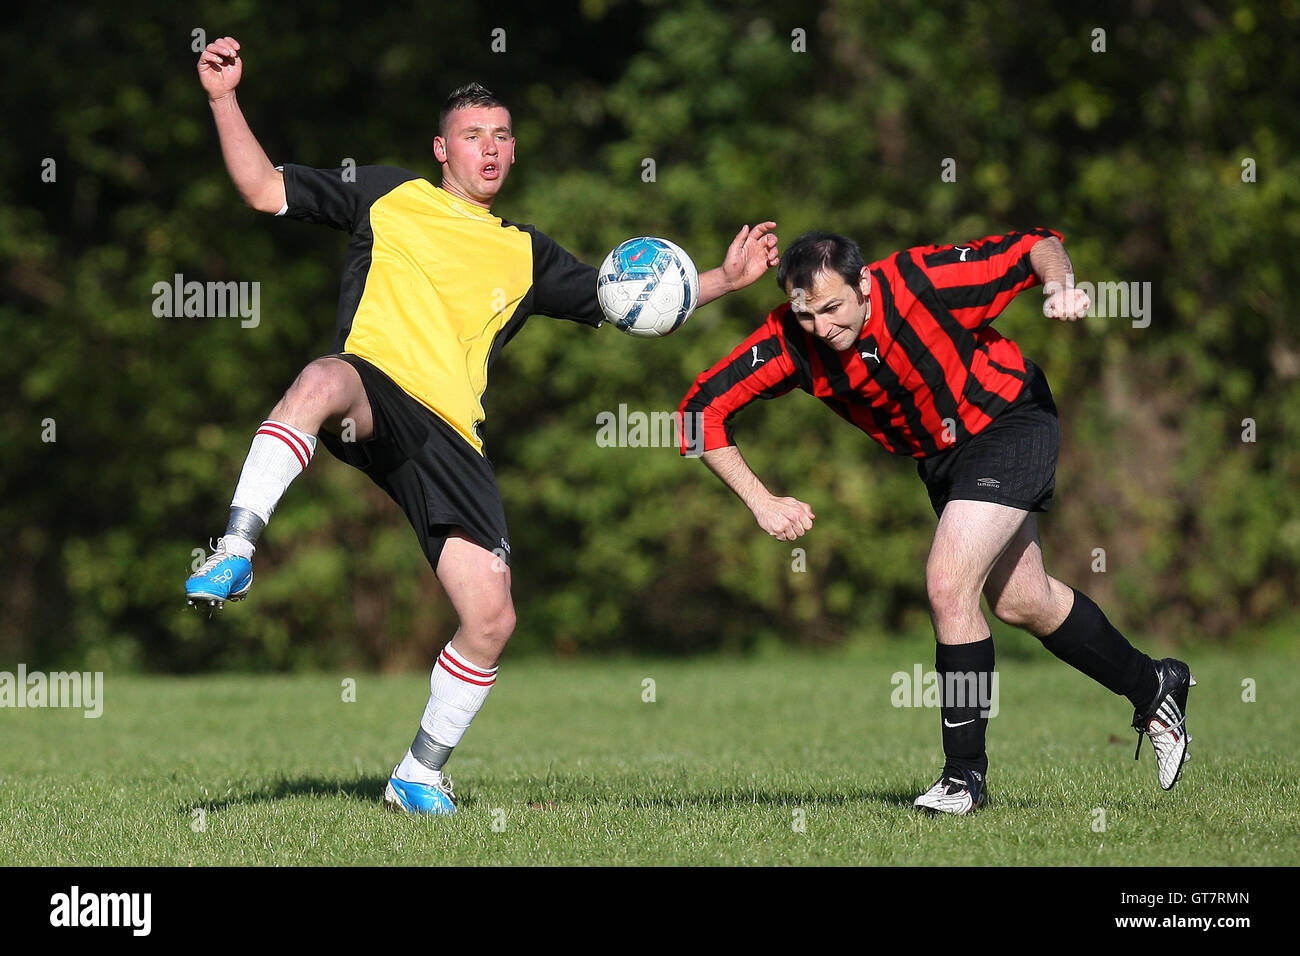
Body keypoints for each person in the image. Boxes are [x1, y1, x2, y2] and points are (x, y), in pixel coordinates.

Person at [187, 36, 780, 814]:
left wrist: (723, 281)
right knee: (321, 377)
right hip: (374, 390)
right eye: (474, 135)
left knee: (492, 617)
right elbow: (265, 190)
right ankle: (235, 550)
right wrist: (223, 98)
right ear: (442, 149)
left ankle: (418, 773)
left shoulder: (527, 253)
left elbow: (630, 301)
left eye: (502, 135)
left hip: (449, 439)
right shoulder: (388, 194)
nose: (491, 149)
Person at [678, 228, 1194, 814]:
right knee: (1023, 601)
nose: (822, 328)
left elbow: (1036, 245)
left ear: (864, 284)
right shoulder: (790, 340)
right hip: (944, 458)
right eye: (806, 315)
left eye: (832, 308)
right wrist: (761, 501)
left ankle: (963, 778)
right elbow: (699, 413)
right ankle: (1155, 686)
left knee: (948, 584)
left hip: (1009, 419)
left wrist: (1060, 287)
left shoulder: (924, 280)